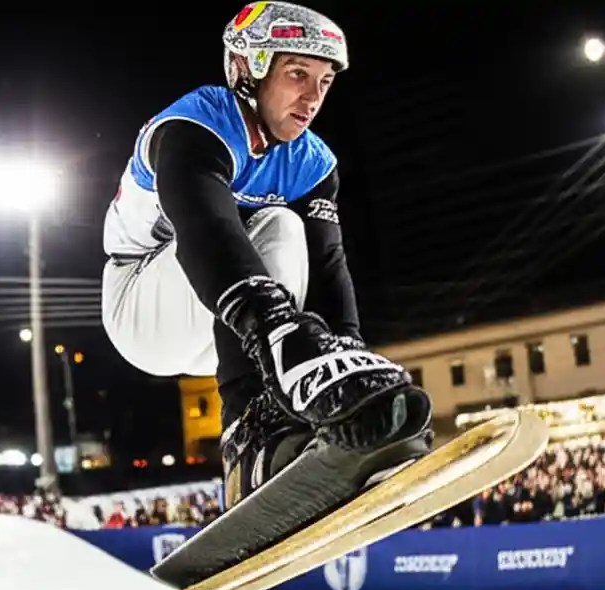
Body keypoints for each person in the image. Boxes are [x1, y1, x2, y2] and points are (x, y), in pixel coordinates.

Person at [102, 1, 432, 513]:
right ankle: (247, 436)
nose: (312, 97)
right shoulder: (195, 127)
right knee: (269, 224)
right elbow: (205, 231)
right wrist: (278, 327)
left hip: (216, 324)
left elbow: (326, 265)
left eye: (324, 82)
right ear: (248, 69)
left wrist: (347, 353)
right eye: (297, 73)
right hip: (142, 305)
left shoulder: (313, 163)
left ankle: (289, 426)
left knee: (285, 228)